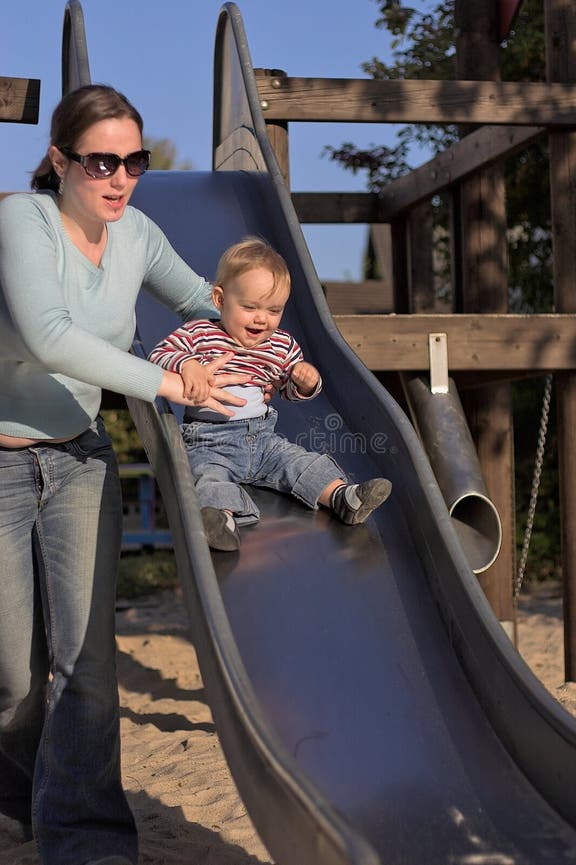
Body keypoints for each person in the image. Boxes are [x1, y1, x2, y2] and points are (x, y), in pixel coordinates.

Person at [0, 84, 250, 865]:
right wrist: (167, 381)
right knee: (12, 675)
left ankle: (88, 842)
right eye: (100, 161)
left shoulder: (135, 231)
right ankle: (19, 805)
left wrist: (252, 325)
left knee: (87, 660)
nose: (118, 178)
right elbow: (49, 337)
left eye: (133, 161)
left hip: (78, 458)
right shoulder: (20, 221)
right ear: (59, 160)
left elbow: (203, 300)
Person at [148, 236, 392, 552]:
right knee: (207, 478)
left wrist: (305, 381)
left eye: (273, 310)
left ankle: (344, 497)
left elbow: (286, 390)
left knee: (300, 462)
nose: (261, 318)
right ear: (220, 299)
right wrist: (189, 365)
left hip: (263, 440)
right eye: (249, 307)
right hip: (211, 441)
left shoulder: (281, 345)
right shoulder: (201, 333)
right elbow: (160, 353)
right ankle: (222, 520)